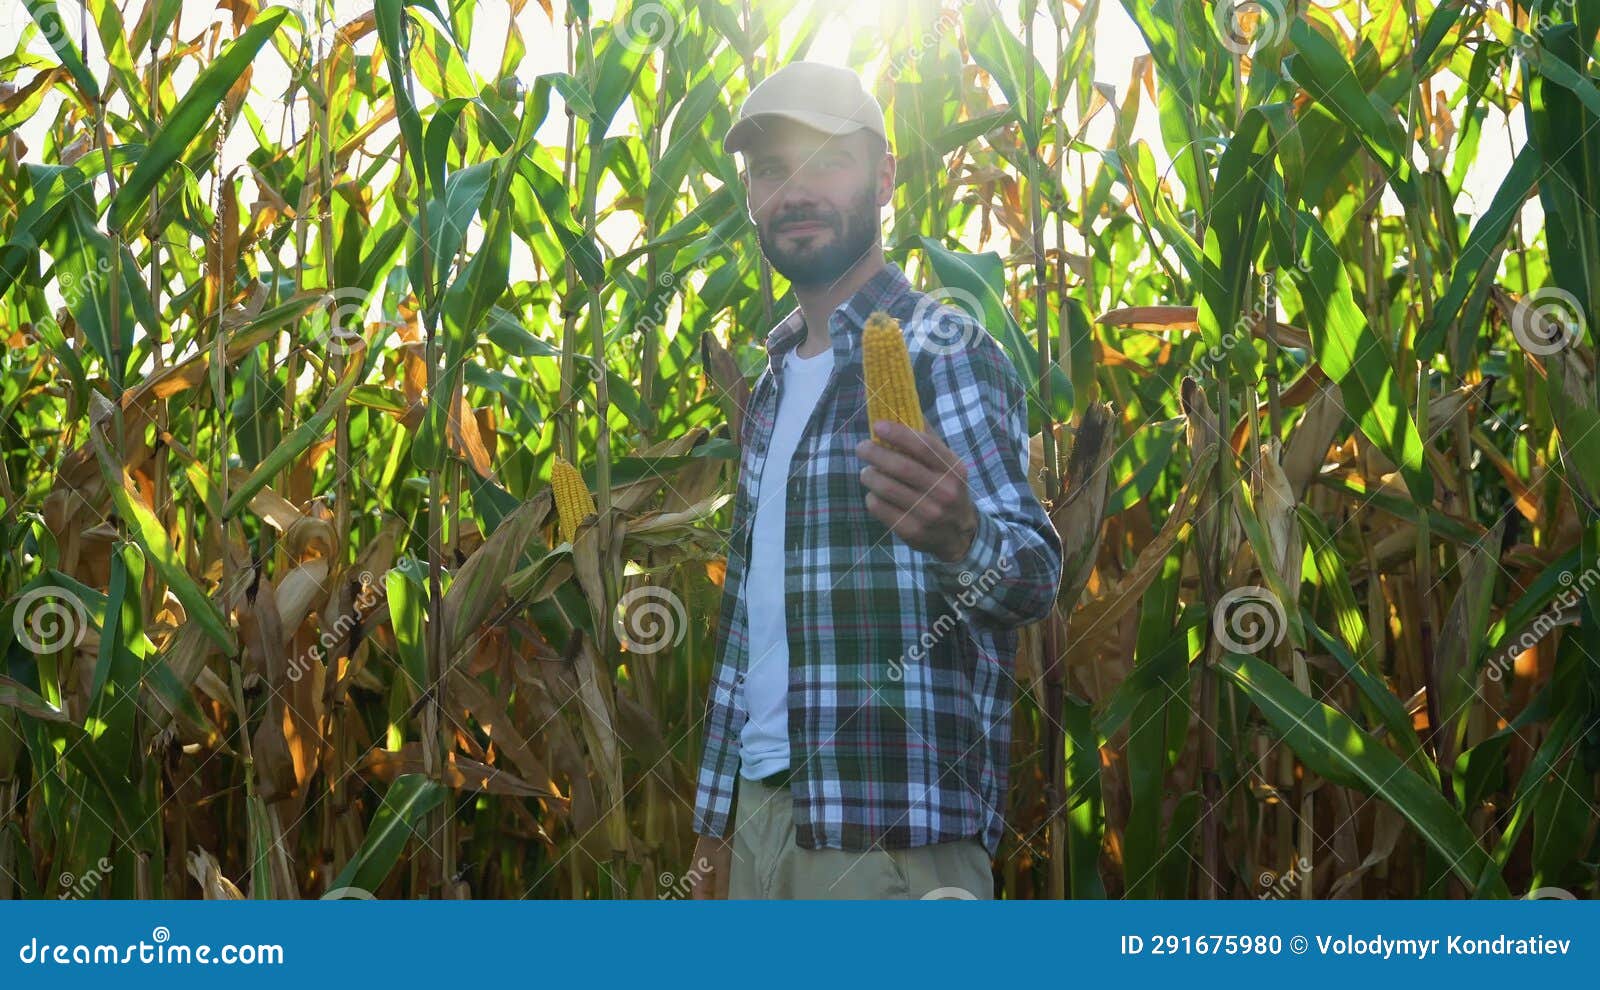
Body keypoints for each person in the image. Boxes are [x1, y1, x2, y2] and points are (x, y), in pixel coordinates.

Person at [687, 61, 1062, 899]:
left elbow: (1034, 578)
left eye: (827, 161)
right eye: (771, 171)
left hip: (889, 840)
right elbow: (747, 634)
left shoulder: (946, 351)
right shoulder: (773, 380)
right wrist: (715, 828)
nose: (796, 191)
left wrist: (962, 535)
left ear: (885, 176)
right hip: (759, 828)